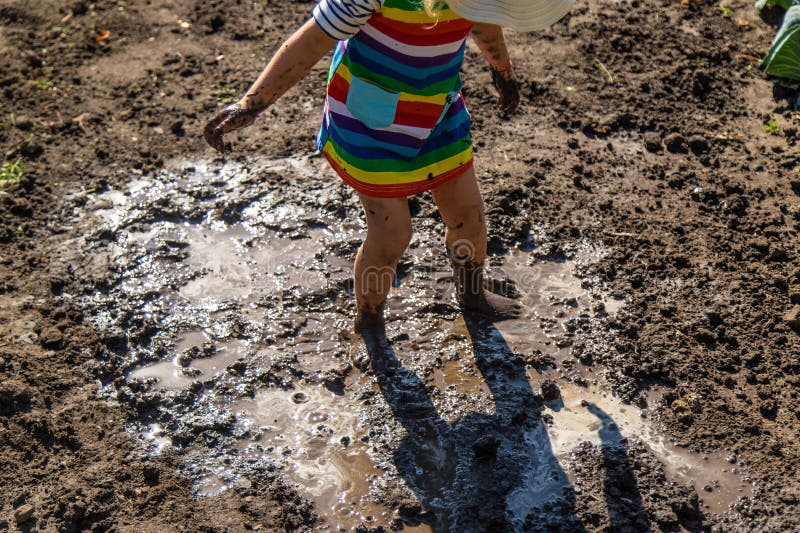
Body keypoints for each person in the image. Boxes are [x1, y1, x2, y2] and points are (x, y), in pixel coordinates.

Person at [204, 0, 574, 334]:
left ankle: (472, 294)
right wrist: (251, 105)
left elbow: (484, 20)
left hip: (437, 113)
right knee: (392, 233)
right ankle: (369, 317)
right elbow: (313, 41)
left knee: (469, 215)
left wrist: (502, 69)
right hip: (368, 123)